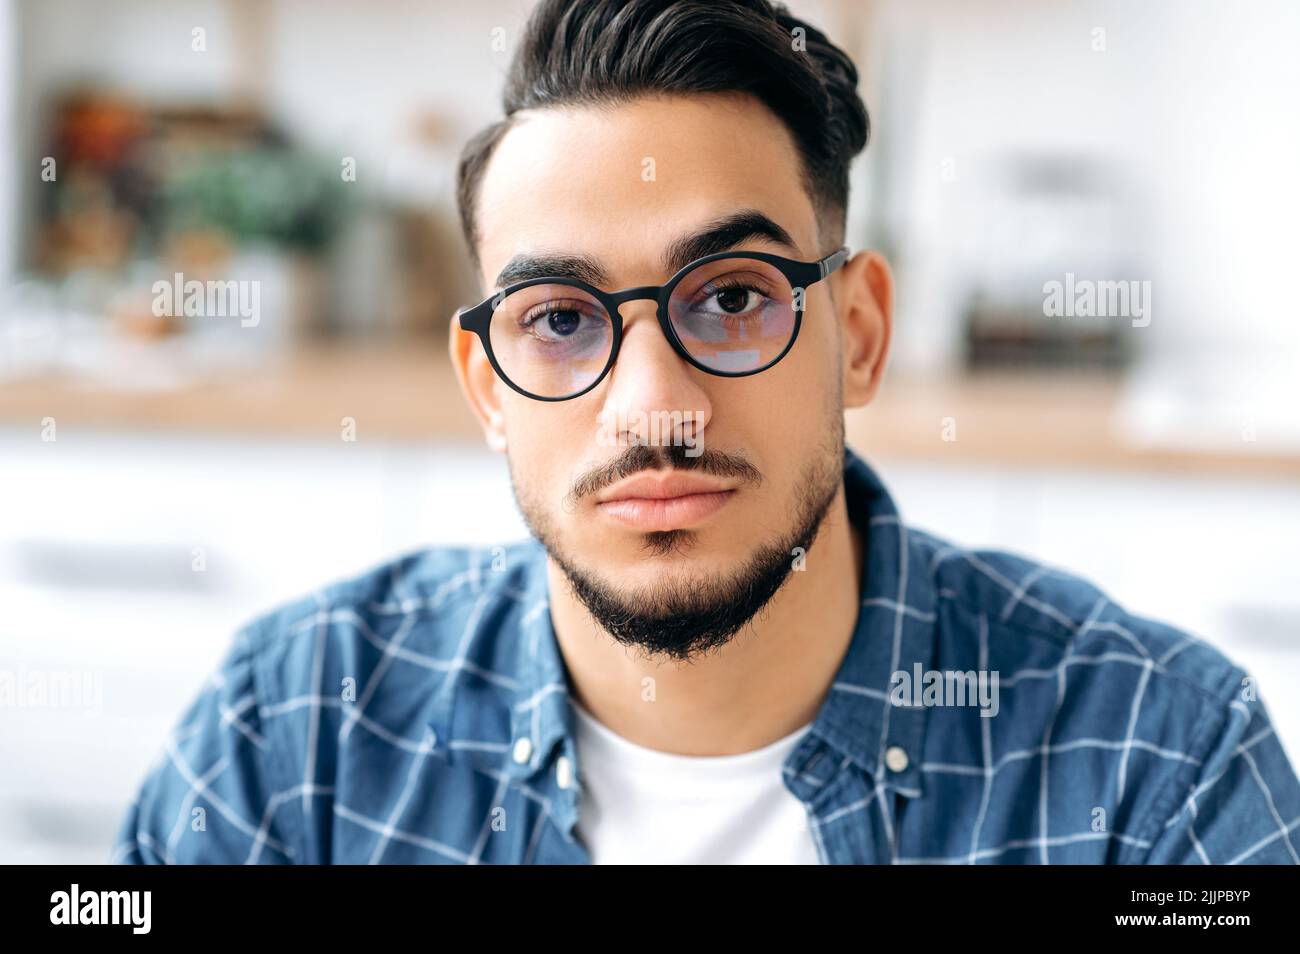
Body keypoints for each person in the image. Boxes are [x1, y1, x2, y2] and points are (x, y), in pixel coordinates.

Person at [114, 0, 1300, 865]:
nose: (649, 406)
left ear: (860, 333)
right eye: (562, 319)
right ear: (485, 386)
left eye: (731, 298)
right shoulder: (292, 731)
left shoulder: (1159, 766)